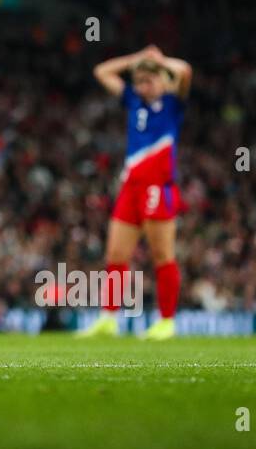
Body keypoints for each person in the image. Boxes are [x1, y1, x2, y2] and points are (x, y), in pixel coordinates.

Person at [78, 45, 192, 340]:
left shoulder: (172, 103)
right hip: (131, 186)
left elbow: (185, 71)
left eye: (149, 80)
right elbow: (101, 71)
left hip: (158, 188)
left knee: (162, 254)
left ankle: (167, 321)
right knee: (116, 253)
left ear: (162, 80)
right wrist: (135, 59)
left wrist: (160, 60)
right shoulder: (133, 101)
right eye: (139, 81)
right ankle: (109, 318)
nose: (143, 86)